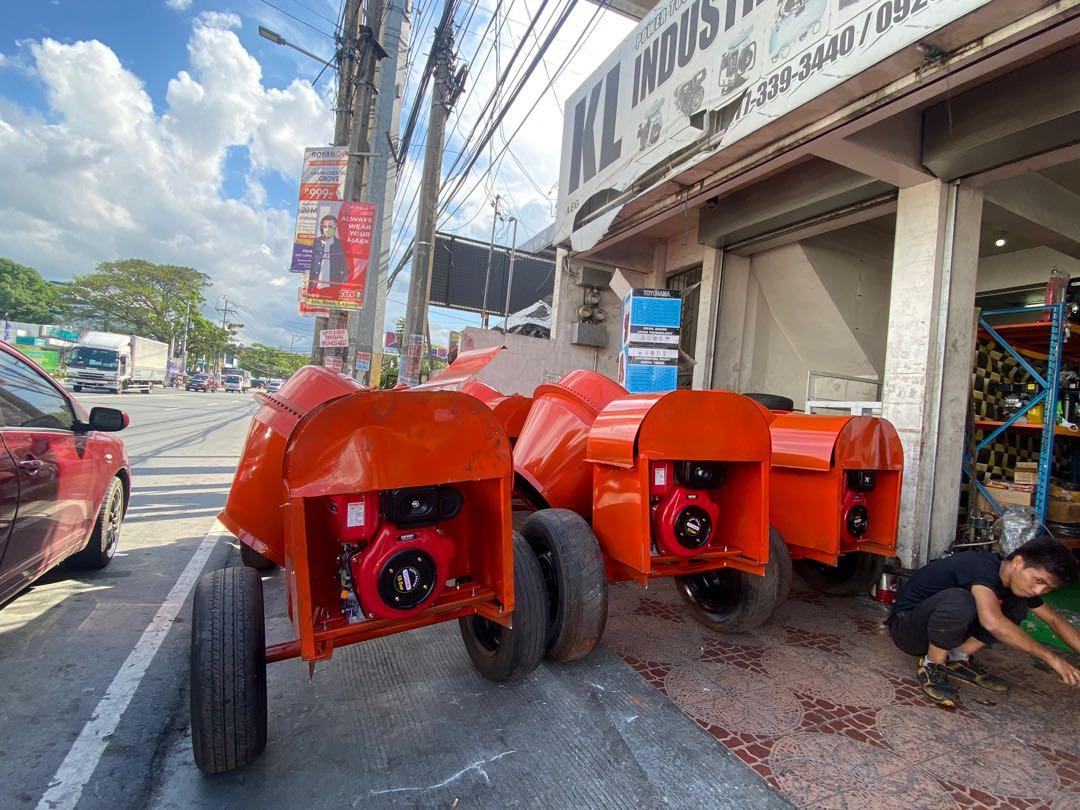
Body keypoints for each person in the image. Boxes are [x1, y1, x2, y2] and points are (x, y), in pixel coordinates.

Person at [887, 537, 1080, 706]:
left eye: (1047, 589)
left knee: (1018, 605)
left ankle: (957, 657)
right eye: (1038, 581)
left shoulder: (1017, 585)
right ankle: (933, 665)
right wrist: (1052, 658)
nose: (1038, 591)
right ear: (1018, 562)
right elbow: (992, 623)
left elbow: (1054, 620)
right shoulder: (979, 566)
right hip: (907, 629)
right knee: (962, 600)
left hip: (943, 633)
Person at [308, 215, 350, 286]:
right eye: (324, 226)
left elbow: (347, 271)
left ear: (335, 228)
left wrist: (342, 287)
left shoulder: (343, 246)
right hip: (313, 289)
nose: (327, 229)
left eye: (330, 227)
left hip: (333, 290)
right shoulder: (312, 243)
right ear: (320, 227)